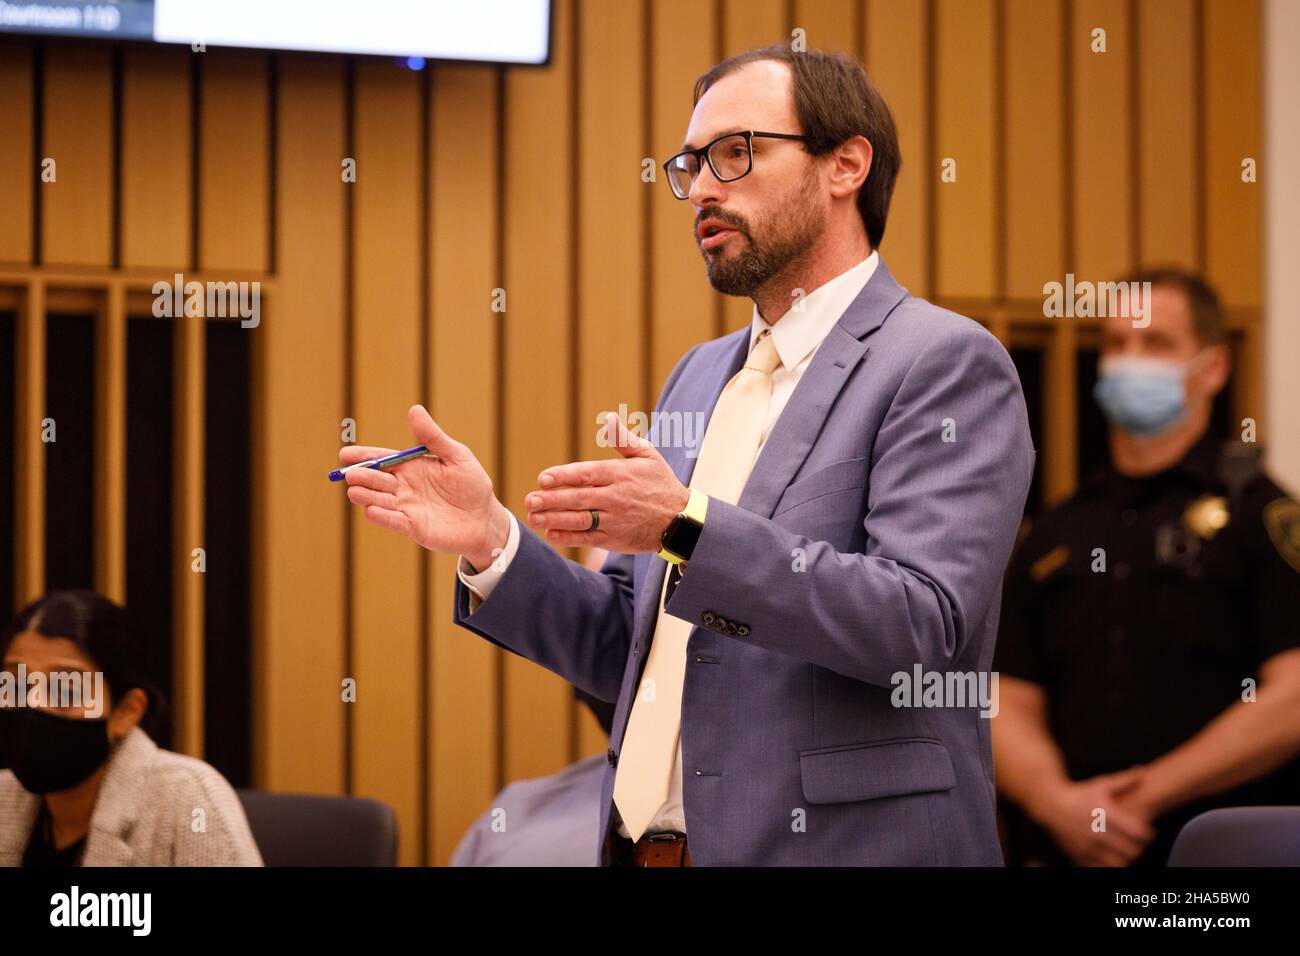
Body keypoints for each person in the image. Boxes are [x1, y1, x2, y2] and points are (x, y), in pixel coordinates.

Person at [340, 43, 1034, 865]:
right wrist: (493, 543)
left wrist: (686, 527)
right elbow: (626, 645)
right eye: (690, 164)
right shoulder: (699, 377)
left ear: (847, 164)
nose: (702, 187)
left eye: (736, 153)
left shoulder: (942, 362)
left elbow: (919, 623)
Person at [992, 269, 1300, 867]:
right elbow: (1004, 698)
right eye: (1116, 344)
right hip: (1066, 847)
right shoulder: (1056, 529)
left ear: (1212, 368)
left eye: (1156, 344)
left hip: (1222, 859)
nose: (1129, 360)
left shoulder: (1262, 516)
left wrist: (1148, 794)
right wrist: (1058, 803)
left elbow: (1294, 693)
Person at [0, 591, 262, 867]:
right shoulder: (4, 796)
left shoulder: (187, 801)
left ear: (126, 712)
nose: (33, 704)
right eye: (17, 685)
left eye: (65, 691)